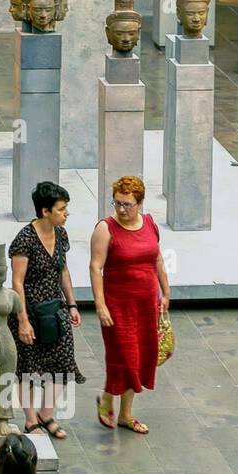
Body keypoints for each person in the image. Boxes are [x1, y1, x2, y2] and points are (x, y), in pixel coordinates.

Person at [89, 174, 170, 434]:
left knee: (138, 357)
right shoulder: (106, 228)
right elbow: (95, 267)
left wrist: (165, 293)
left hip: (146, 302)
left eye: (127, 204)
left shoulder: (149, 224)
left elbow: (157, 260)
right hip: (118, 304)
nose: (122, 210)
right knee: (123, 356)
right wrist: (100, 305)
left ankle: (125, 413)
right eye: (117, 203)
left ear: (140, 203)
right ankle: (107, 397)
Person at [8, 180, 85, 441]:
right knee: (29, 367)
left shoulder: (61, 234)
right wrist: (23, 321)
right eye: (62, 209)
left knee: (62, 363)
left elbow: (63, 270)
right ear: (45, 211)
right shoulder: (25, 240)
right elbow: (16, 282)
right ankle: (30, 420)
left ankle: (46, 413)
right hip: (29, 311)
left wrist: (72, 303)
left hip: (55, 310)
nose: (66, 213)